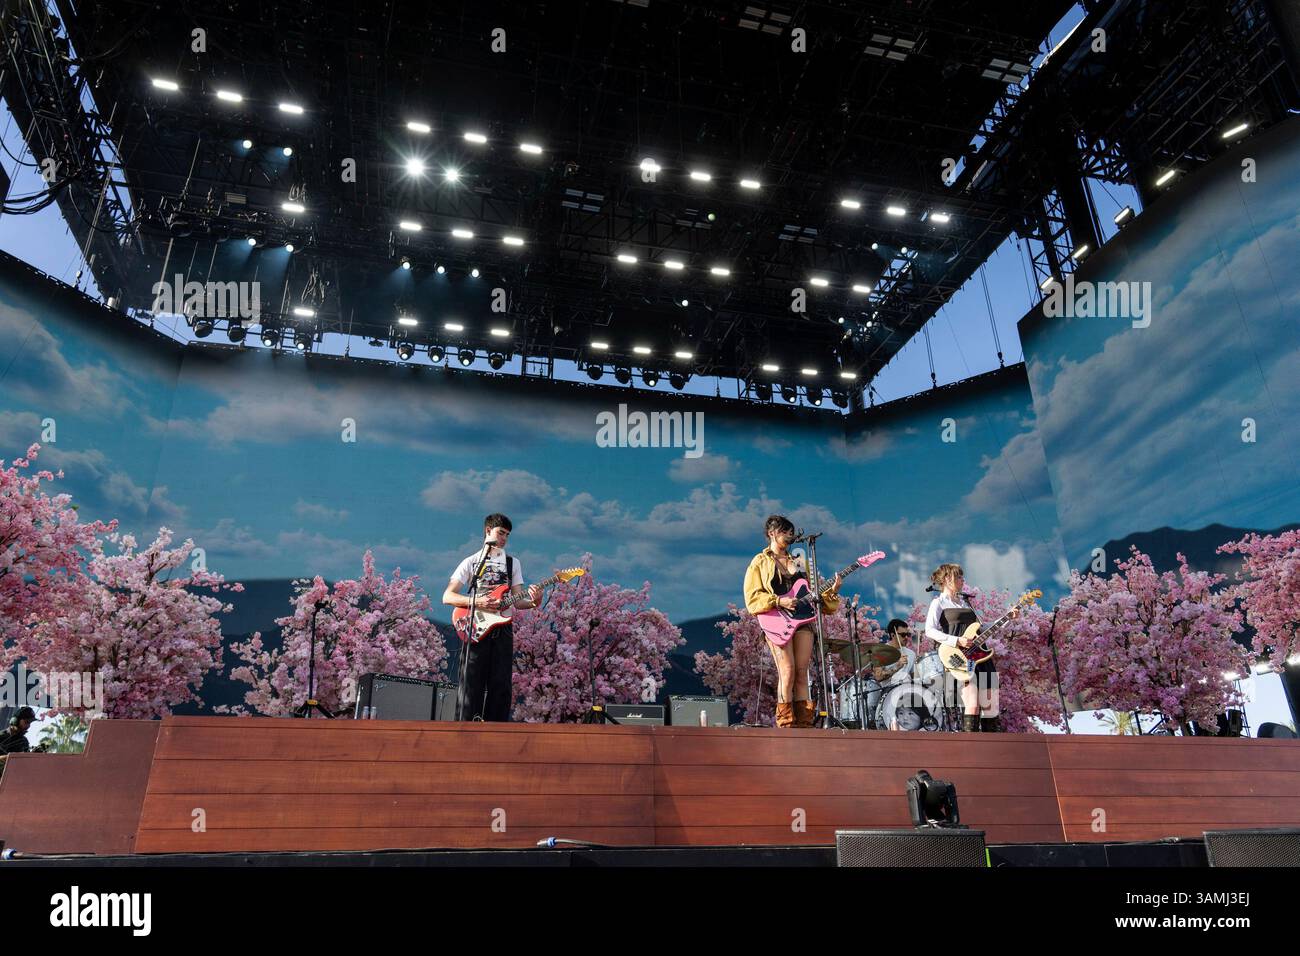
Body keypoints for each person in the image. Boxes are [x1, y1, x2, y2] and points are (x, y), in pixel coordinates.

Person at [743, 515, 842, 728]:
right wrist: (779, 600)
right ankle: (785, 723)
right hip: (777, 620)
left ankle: (805, 724)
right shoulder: (760, 562)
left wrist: (831, 591)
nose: (790, 535)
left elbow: (810, 594)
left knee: (801, 672)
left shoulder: (798, 560)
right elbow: (752, 597)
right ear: (772, 533)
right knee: (786, 670)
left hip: (803, 620)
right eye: (785, 531)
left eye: (791, 532)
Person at [443, 514, 542, 722]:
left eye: (507, 535)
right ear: (488, 531)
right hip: (475, 626)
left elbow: (518, 600)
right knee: (471, 685)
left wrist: (534, 601)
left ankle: (496, 733)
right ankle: (465, 733)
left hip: (503, 628)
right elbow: (448, 596)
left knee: (501, 686)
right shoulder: (470, 562)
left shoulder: (512, 563)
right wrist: (477, 602)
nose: (504, 538)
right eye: (500, 533)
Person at [924, 564, 1012, 732]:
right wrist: (957, 641)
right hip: (960, 656)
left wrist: (1008, 617)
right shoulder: (938, 602)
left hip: (981, 655)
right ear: (947, 579)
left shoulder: (966, 602)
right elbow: (929, 630)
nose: (962, 580)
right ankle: (970, 749)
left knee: (991, 706)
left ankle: (990, 749)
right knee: (972, 704)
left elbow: (982, 628)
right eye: (958, 577)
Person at [0, 706, 37, 775]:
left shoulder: (24, 742)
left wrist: (32, 755)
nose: (28, 726)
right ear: (15, 720)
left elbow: (25, 766)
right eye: (26, 722)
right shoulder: (1, 736)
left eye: (30, 723)